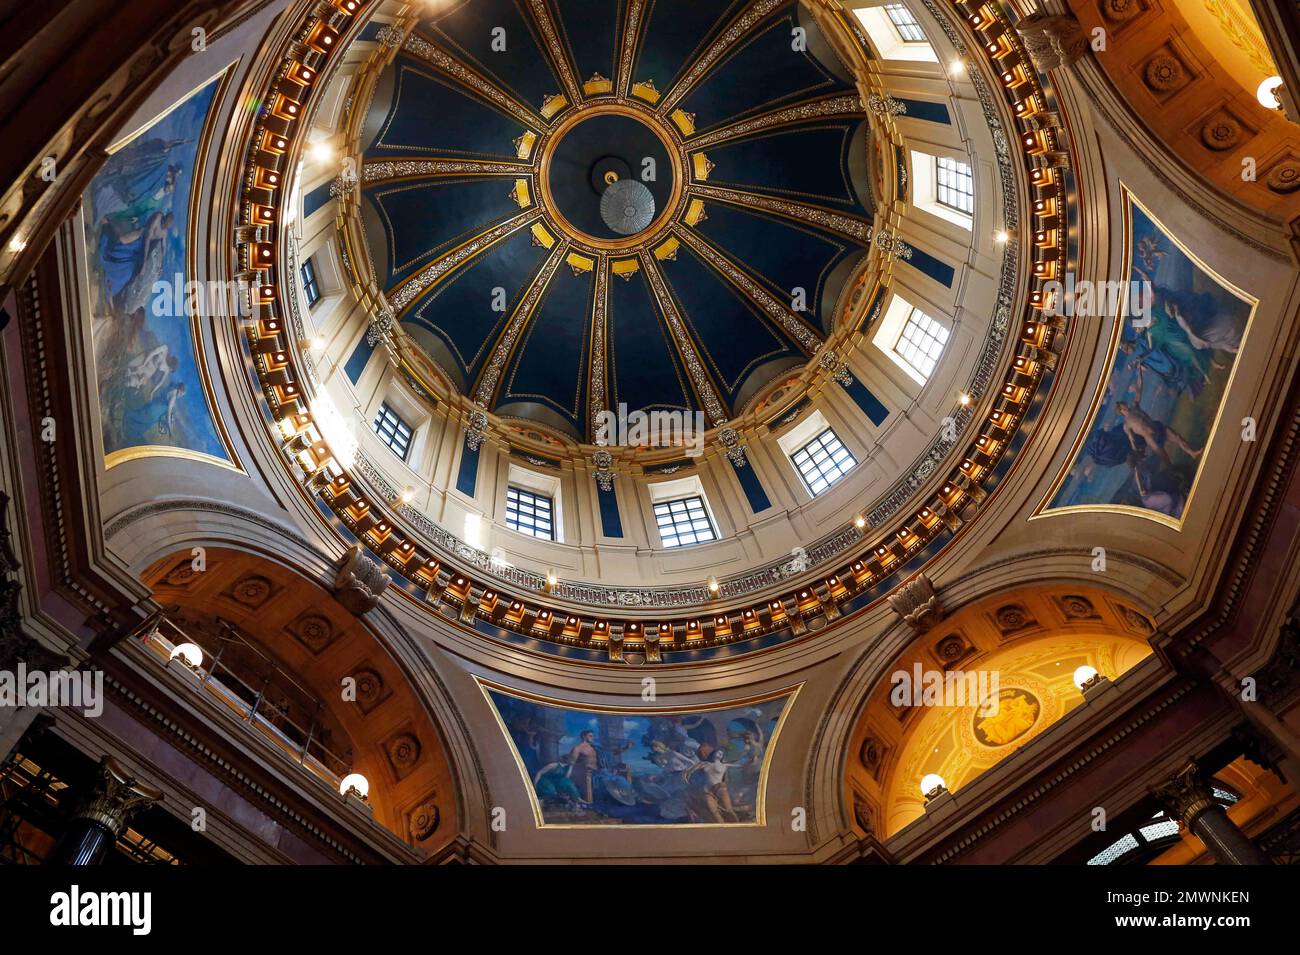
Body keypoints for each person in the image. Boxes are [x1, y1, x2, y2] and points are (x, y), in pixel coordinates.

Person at [1115, 401, 1201, 466]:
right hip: (1151, 439)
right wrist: (1136, 450)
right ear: (1121, 410)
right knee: (1165, 458)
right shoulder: (1126, 424)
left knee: (1177, 438)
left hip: (1157, 427)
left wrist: (1140, 378)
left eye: (1123, 403)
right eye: (1122, 405)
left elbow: (1139, 391)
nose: (1125, 404)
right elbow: (1131, 438)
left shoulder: (1135, 407)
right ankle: (1175, 474)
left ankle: (1193, 453)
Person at [683, 747, 742, 823]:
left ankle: (737, 825)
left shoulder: (724, 765)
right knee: (712, 811)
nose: (720, 754)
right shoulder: (705, 764)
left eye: (722, 754)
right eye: (718, 752)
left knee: (728, 810)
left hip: (720, 789)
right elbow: (690, 771)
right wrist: (686, 778)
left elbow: (738, 765)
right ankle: (721, 826)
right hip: (707, 791)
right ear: (713, 753)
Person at [567, 730, 598, 805]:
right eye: (590, 736)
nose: (592, 738)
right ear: (584, 736)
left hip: (597, 772)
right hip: (585, 773)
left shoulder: (594, 748)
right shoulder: (578, 748)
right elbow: (571, 763)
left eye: (592, 736)